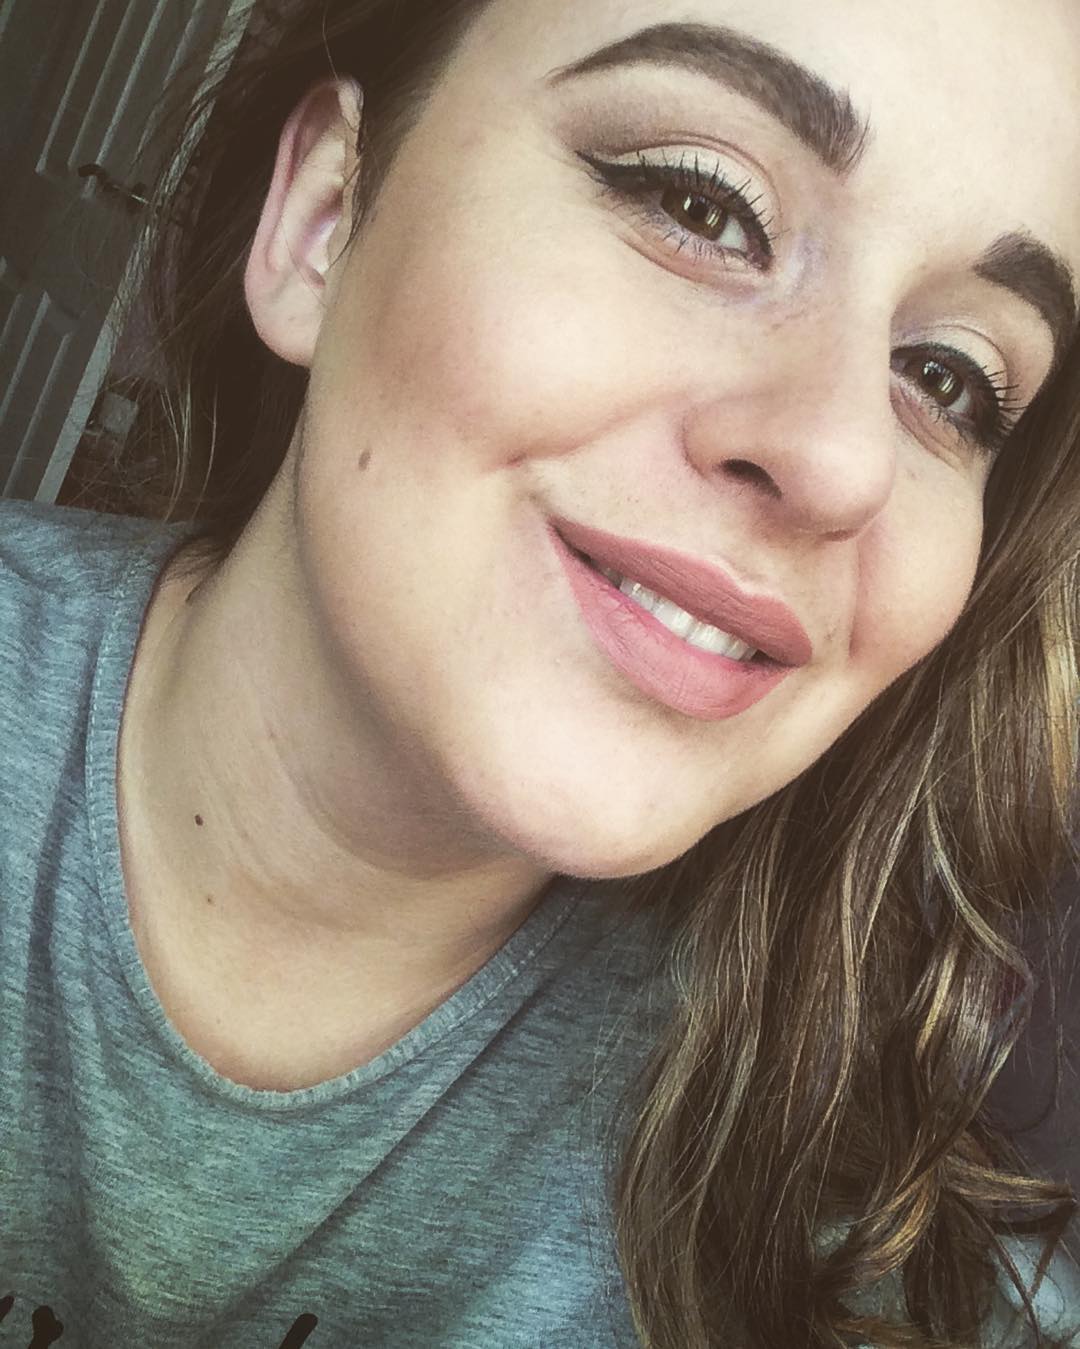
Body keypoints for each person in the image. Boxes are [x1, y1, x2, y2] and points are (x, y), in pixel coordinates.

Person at [2, 0, 1079, 1345]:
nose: (843, 460)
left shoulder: (844, 1206)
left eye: (949, 376)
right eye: (702, 204)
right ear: (327, 220)